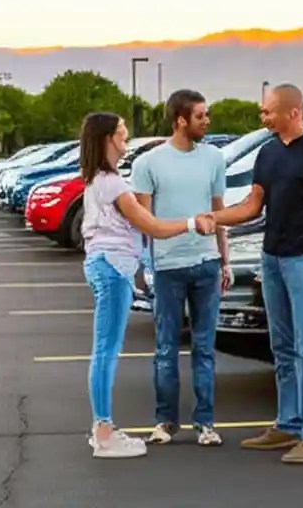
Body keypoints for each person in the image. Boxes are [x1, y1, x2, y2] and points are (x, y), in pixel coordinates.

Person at [207, 83, 303, 465]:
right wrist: (214, 218)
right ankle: (288, 425)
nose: (262, 117)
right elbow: (253, 205)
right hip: (271, 260)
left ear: (293, 113)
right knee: (283, 348)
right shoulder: (267, 153)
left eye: (268, 111)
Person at [77, 111, 215, 459]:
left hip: (109, 267)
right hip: (111, 270)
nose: (126, 139)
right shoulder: (112, 184)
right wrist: (191, 223)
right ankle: (104, 432)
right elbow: (150, 226)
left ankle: (103, 428)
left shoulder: (99, 179)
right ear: (107, 138)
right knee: (106, 352)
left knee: (105, 350)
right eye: (122, 134)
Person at [129, 89, 232, 447]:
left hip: (206, 265)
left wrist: (225, 261)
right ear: (180, 121)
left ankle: (205, 423)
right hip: (168, 267)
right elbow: (143, 221)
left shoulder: (214, 159)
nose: (207, 121)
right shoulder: (148, 164)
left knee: (204, 348)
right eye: (201, 116)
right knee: (165, 348)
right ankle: (165, 422)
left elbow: (218, 212)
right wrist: (144, 267)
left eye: (207, 114)